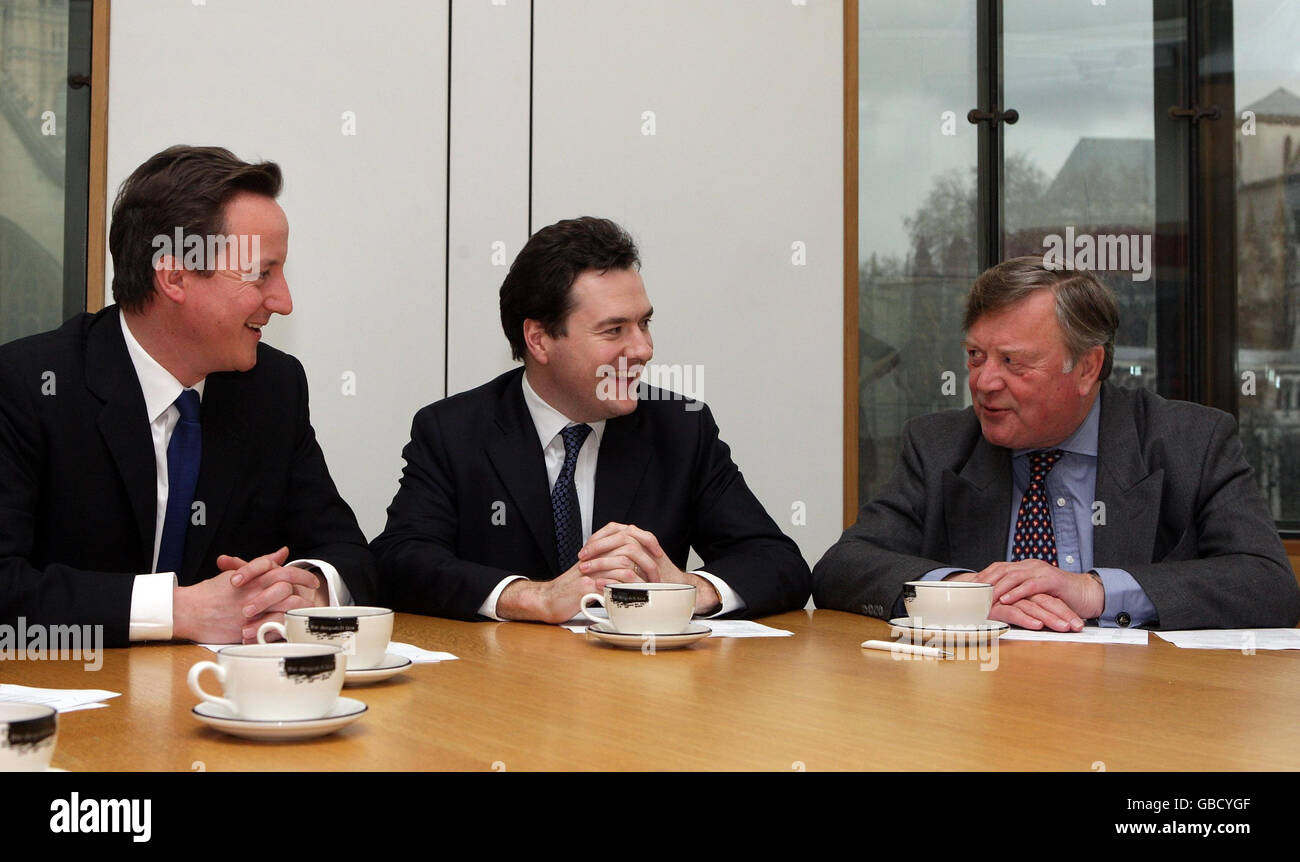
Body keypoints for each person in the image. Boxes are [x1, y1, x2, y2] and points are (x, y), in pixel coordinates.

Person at [0, 145, 375, 647]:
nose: (284, 301)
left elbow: (347, 549)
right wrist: (178, 611)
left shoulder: (273, 387)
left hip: (221, 698)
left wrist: (307, 587)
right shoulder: (29, 385)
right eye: (262, 273)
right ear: (175, 276)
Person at [813, 256, 1300, 630]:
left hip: (1138, 714)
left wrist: (1098, 592)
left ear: (1086, 367)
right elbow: (841, 569)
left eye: (1012, 362)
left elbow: (1268, 585)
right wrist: (963, 592)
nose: (984, 382)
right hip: (978, 706)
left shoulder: (1189, 441)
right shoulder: (940, 445)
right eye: (976, 356)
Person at [372, 216, 810, 623]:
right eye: (614, 330)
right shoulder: (454, 431)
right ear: (539, 340)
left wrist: (688, 589)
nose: (642, 349)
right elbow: (400, 562)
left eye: (645, 323)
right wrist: (533, 597)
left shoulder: (681, 428)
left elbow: (778, 563)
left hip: (639, 690)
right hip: (504, 688)